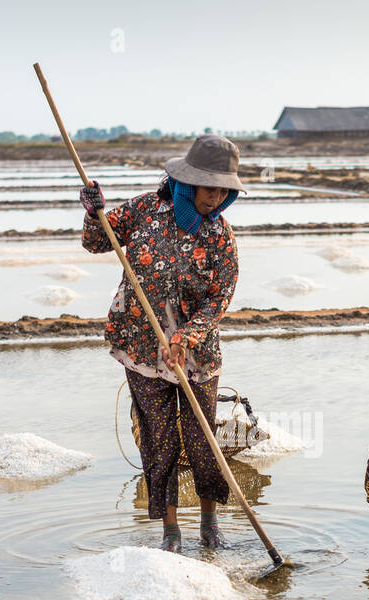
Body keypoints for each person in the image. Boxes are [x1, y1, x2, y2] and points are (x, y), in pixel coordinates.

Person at [80, 134, 244, 551]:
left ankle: (209, 524)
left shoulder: (220, 236)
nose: (216, 197)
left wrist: (185, 338)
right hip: (140, 345)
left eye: (224, 189)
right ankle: (171, 531)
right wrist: (94, 212)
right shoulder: (145, 210)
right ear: (187, 183)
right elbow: (96, 241)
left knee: (203, 438)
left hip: (196, 355)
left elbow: (219, 297)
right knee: (158, 438)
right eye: (210, 188)